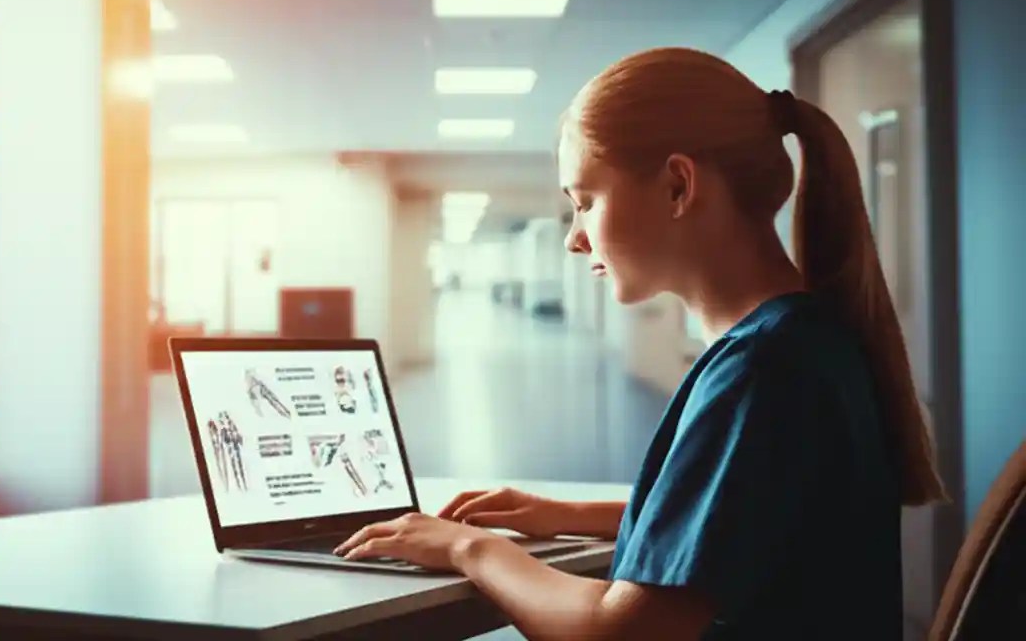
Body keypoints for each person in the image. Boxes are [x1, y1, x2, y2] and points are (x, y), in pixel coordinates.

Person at [333, 47, 946, 640]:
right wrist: (564, 516)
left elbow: (620, 633)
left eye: (585, 202)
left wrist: (470, 548)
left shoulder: (763, 369)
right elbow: (738, 523)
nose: (575, 239)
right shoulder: (801, 341)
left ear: (678, 187)